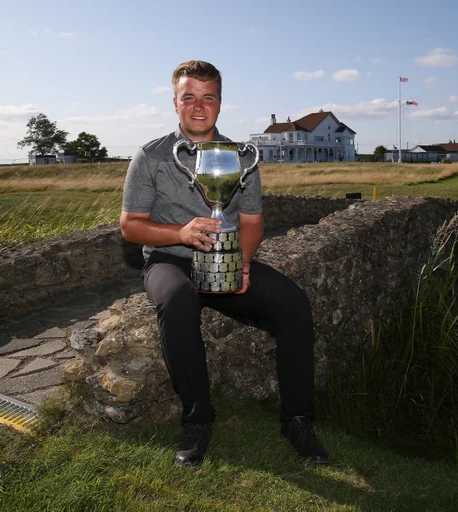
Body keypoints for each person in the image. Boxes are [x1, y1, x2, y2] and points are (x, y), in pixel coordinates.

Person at [120, 60, 329, 467]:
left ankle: (297, 419)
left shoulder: (240, 157)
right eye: (189, 97)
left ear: (220, 102)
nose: (199, 106)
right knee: (178, 301)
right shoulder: (150, 156)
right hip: (170, 260)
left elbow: (251, 222)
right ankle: (198, 420)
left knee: (294, 304)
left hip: (227, 258)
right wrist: (180, 233)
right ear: (175, 103)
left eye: (208, 97)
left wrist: (244, 264)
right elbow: (130, 226)